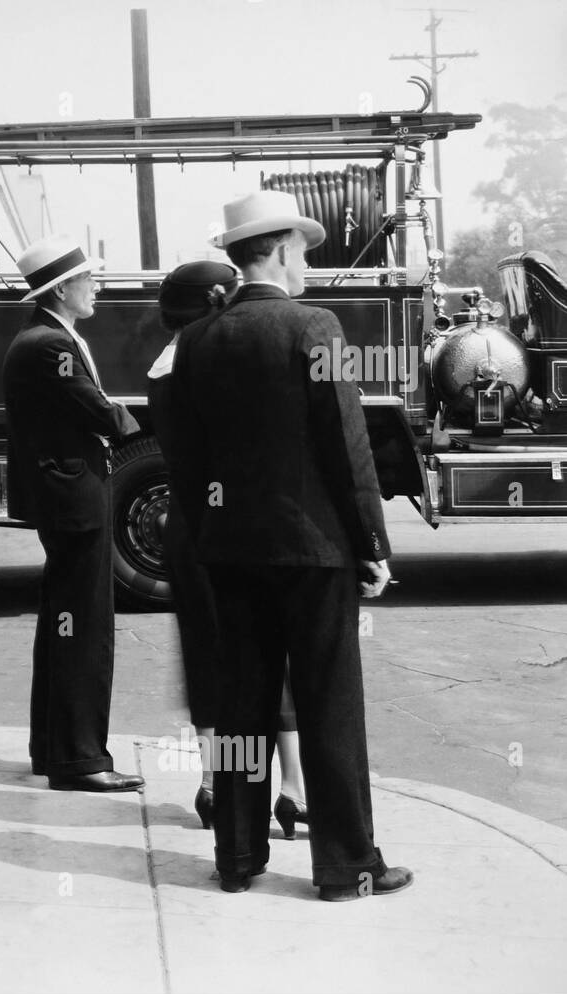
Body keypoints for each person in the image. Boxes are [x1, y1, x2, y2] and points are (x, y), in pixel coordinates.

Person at [168, 190, 411, 900]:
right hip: (313, 551)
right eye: (302, 250)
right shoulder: (316, 328)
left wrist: (211, 528)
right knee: (328, 703)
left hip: (231, 551)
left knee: (243, 704)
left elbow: (185, 455)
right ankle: (348, 866)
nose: (306, 263)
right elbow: (345, 444)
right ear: (276, 249)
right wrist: (371, 540)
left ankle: (238, 856)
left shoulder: (200, 339)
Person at [148, 261, 308, 836]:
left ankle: (223, 785)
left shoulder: (171, 362)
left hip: (195, 528)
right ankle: (285, 790)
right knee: (261, 653)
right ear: (216, 299)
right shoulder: (209, 362)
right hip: (230, 528)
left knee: (212, 658)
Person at [2, 237, 143, 793]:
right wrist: (142, 420)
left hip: (69, 495)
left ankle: (58, 751)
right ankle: (81, 759)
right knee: (84, 630)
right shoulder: (48, 345)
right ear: (62, 288)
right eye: (89, 280)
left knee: (67, 625)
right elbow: (99, 412)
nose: (97, 289)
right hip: (74, 498)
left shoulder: (45, 337)